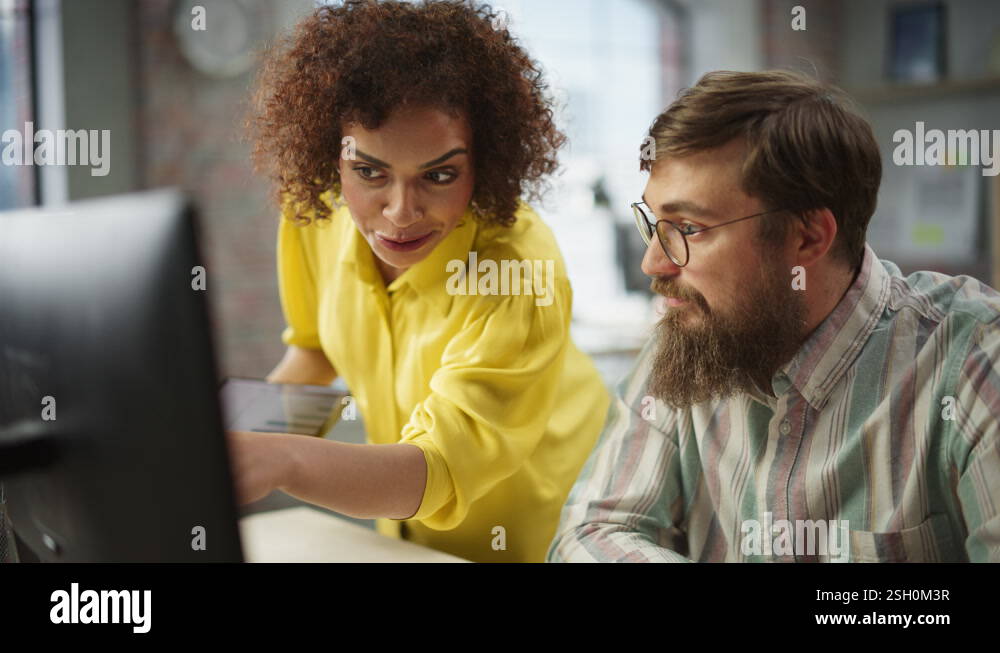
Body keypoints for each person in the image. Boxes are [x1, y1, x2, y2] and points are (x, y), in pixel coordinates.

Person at [548, 70, 1000, 563]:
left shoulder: (975, 362)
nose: (652, 262)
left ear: (807, 237)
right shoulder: (690, 335)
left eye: (689, 228)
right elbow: (592, 531)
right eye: (654, 223)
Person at [234, 0, 610, 563]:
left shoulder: (516, 268)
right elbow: (315, 355)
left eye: (438, 174)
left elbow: (437, 466)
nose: (401, 212)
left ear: (486, 163)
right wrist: (224, 447)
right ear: (330, 159)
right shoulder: (314, 216)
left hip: (545, 536)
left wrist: (281, 460)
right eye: (369, 172)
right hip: (410, 540)